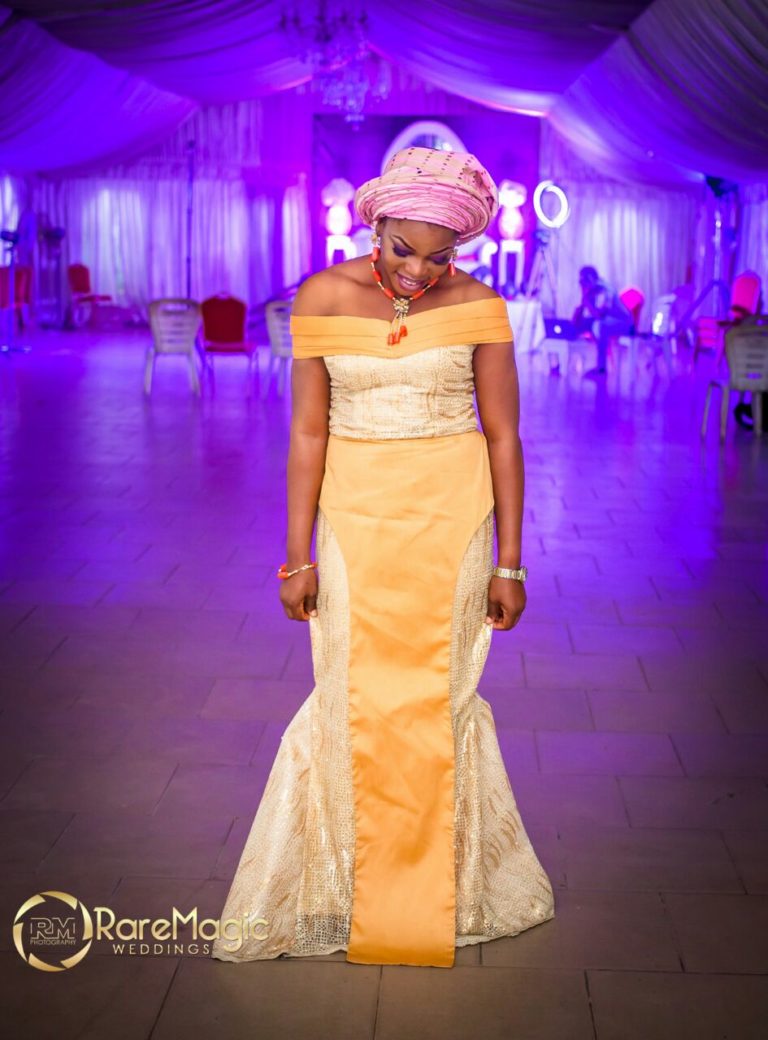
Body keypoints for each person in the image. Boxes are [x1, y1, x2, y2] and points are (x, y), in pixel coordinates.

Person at [211, 147, 555, 969]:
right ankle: (340, 891)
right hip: (354, 521)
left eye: (441, 257)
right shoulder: (323, 296)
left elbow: (505, 437)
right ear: (377, 226)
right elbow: (307, 433)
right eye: (404, 249)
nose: (419, 272)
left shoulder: (480, 304)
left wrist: (511, 563)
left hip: (452, 522)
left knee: (436, 700)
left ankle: (447, 894)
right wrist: (295, 556)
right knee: (350, 695)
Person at [572, 265, 634, 377]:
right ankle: (565, 357)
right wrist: (583, 298)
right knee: (582, 323)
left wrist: (587, 301)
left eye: (585, 279)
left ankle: (601, 369)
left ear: (593, 278)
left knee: (602, 326)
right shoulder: (590, 291)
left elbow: (601, 314)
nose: (583, 282)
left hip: (624, 323)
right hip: (606, 321)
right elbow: (579, 318)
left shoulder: (604, 289)